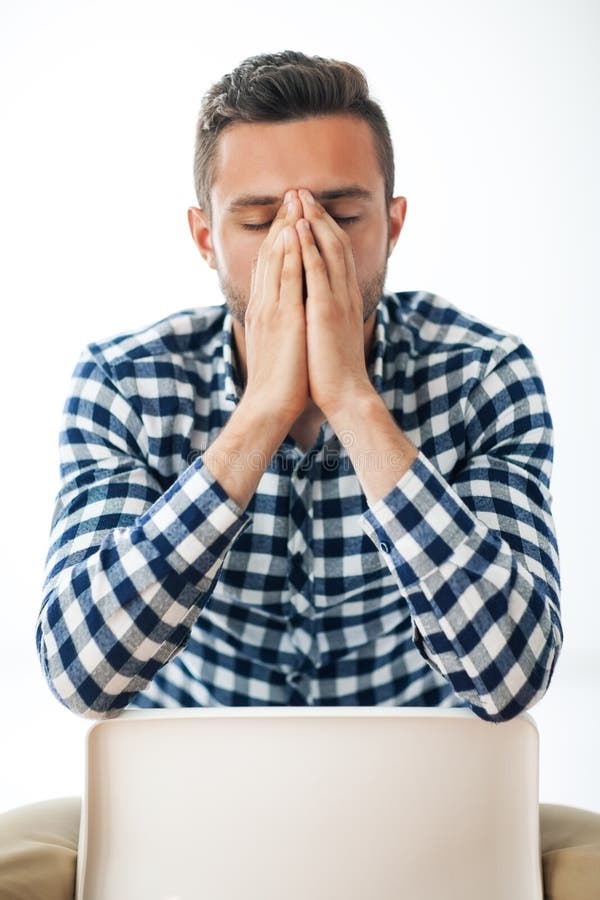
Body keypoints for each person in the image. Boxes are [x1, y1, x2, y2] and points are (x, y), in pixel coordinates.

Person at [0, 50, 597, 899]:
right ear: (205, 237)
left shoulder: (482, 374)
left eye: (340, 215)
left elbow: (513, 674)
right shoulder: (125, 383)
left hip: (427, 813)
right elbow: (81, 672)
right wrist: (259, 417)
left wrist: (354, 401)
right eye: (258, 222)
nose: (302, 246)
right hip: (186, 814)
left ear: (393, 223)